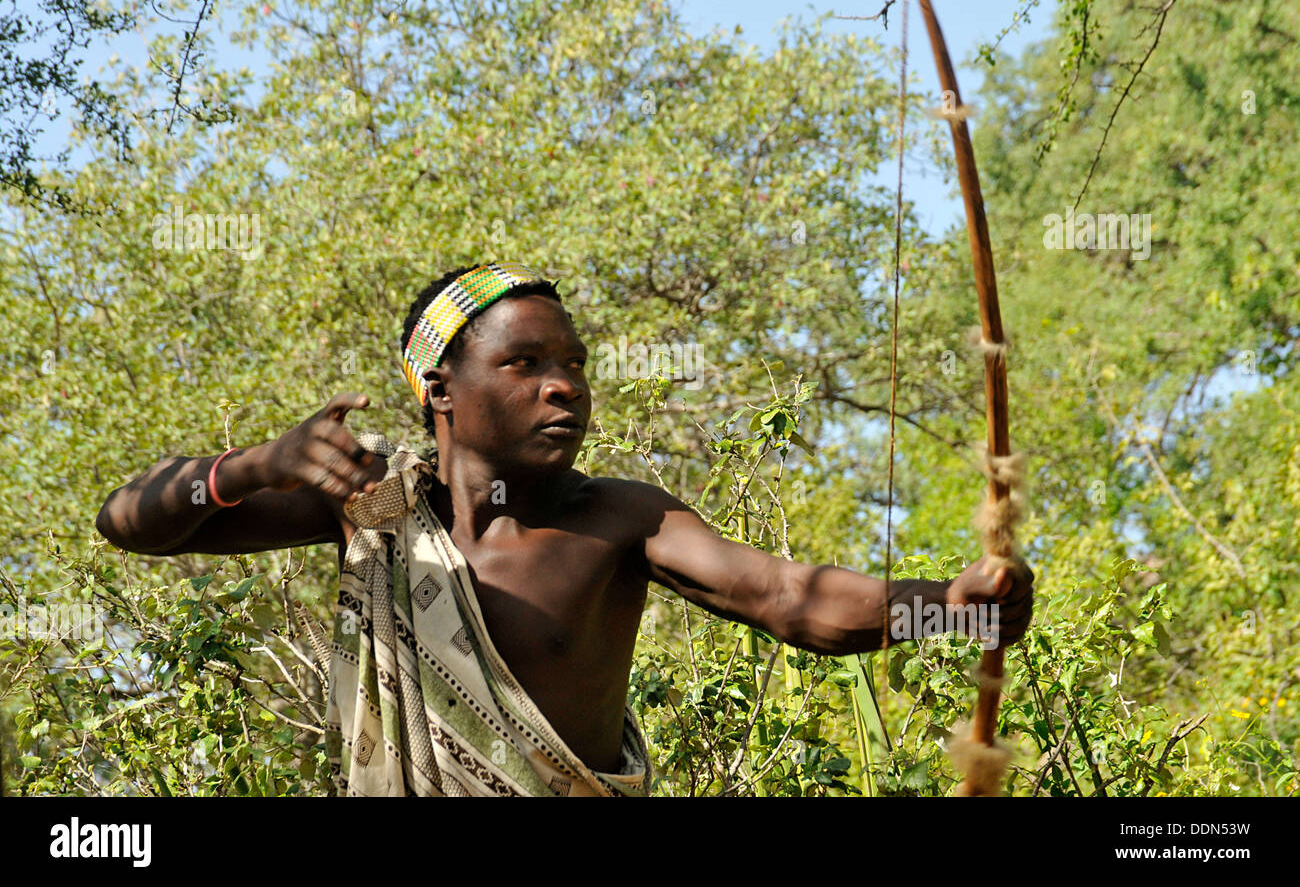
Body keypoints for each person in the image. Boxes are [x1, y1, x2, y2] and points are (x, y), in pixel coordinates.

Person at [96, 261, 1033, 796]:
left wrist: (949, 609)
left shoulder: (619, 516)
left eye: (575, 363)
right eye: (526, 362)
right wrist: (249, 468)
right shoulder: (368, 506)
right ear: (440, 390)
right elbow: (129, 521)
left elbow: (790, 598)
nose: (565, 384)